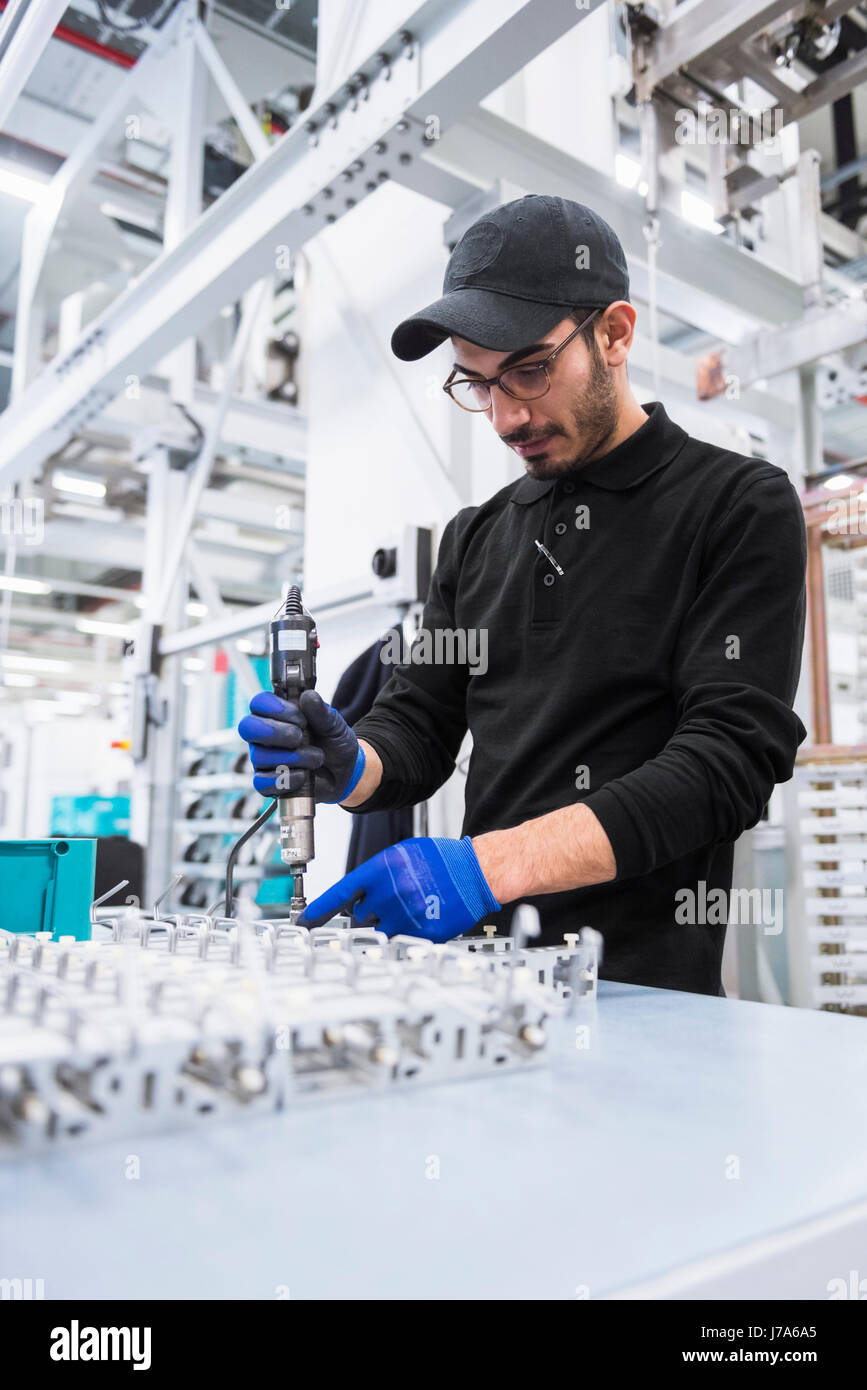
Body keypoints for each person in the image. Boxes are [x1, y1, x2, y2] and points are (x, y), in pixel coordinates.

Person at [238, 194, 807, 995]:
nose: (505, 417)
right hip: (481, 981)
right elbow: (421, 726)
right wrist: (349, 764)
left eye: (529, 371)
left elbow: (728, 762)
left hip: (643, 994)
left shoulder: (735, 504)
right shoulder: (475, 537)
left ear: (613, 333)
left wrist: (486, 867)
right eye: (475, 384)